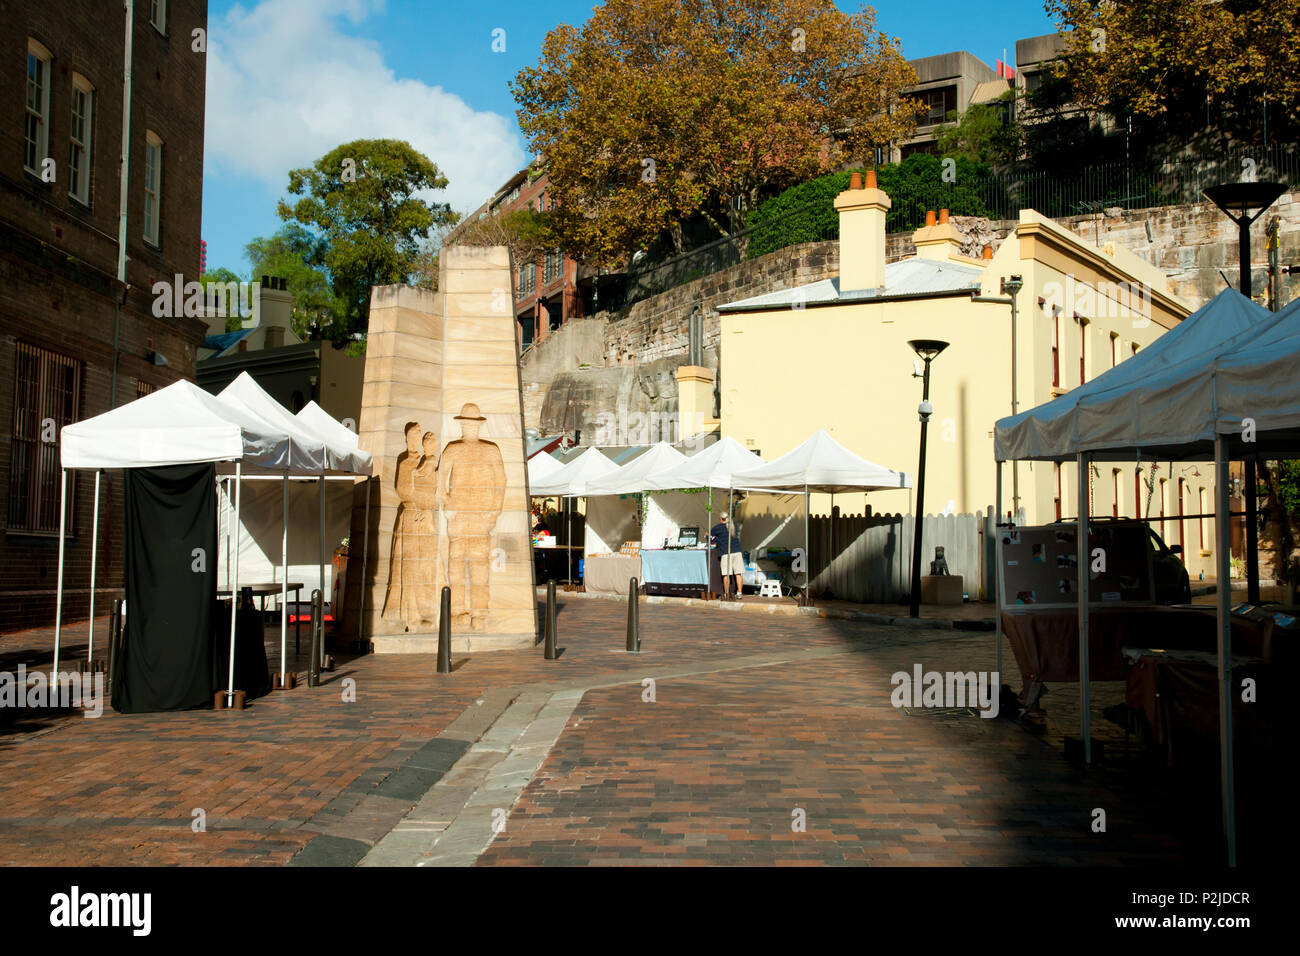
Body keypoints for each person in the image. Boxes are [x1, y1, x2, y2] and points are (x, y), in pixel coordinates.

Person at [709, 512, 745, 600]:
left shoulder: (718, 527)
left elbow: (710, 535)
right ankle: (739, 593)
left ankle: (726, 593)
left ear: (721, 519)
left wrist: (715, 539)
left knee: (726, 574)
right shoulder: (735, 526)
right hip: (737, 551)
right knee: (738, 573)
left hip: (726, 552)